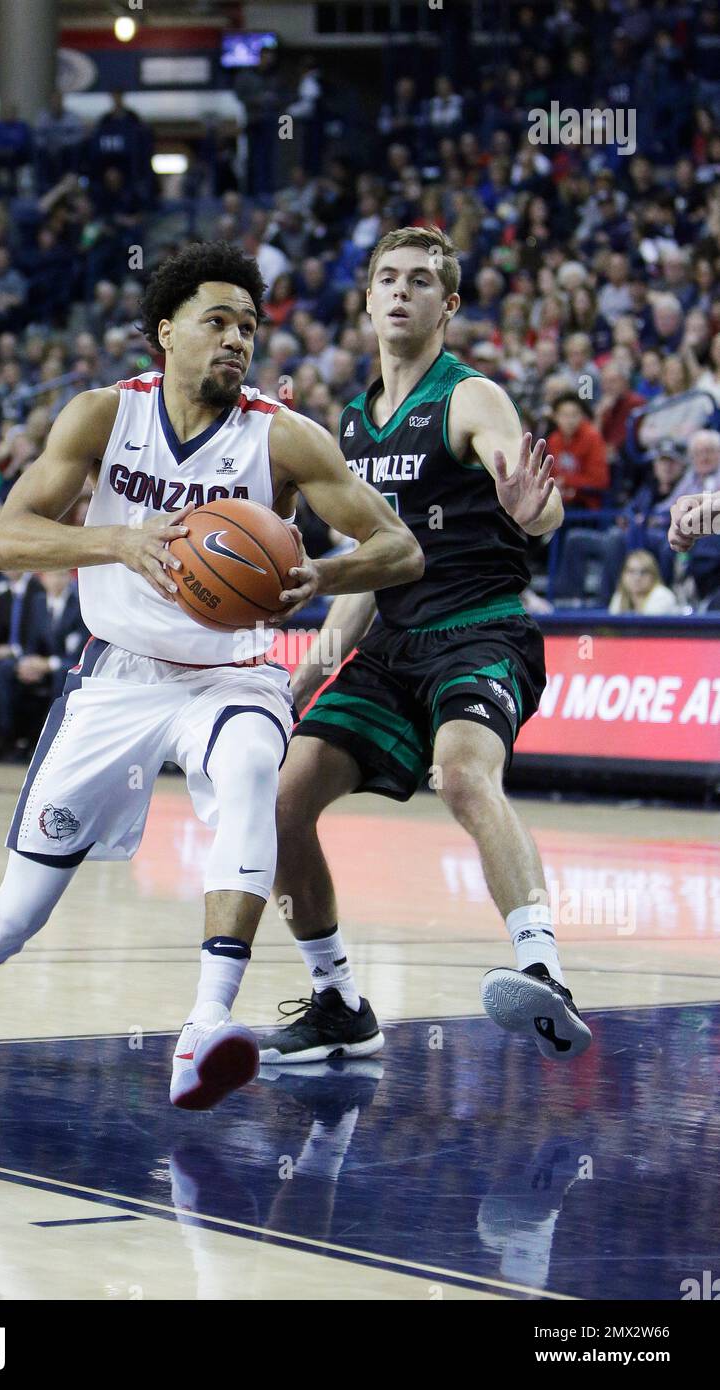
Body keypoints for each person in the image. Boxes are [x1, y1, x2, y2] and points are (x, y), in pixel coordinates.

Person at [0, 240, 421, 1111]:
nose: (236, 340)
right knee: (14, 913)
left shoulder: (283, 435)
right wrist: (117, 540)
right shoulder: (103, 417)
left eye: (249, 326)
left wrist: (323, 574)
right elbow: (5, 539)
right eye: (217, 321)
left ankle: (206, 1025)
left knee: (258, 769)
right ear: (165, 330)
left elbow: (400, 547)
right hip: (118, 679)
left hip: (233, 673)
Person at [257, 225, 592, 1069]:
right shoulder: (351, 427)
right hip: (392, 644)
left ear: (449, 304)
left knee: (463, 772)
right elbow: (372, 572)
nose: (400, 291)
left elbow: (537, 501)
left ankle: (546, 972)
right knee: (283, 805)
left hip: (481, 629)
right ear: (367, 298)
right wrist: (312, 664)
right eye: (386, 278)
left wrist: (531, 511)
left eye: (419, 280)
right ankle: (337, 1000)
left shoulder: (470, 397)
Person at [608, 549, 679, 615]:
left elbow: (650, 627)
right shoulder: (620, 596)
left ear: (653, 575)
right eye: (631, 571)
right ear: (623, 575)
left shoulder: (662, 596)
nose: (637, 578)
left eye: (644, 572)